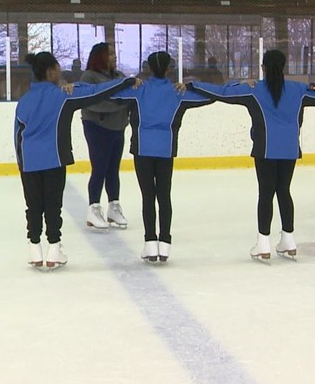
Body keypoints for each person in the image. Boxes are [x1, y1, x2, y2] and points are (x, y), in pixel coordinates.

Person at [187, 49, 315, 260]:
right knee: (284, 191)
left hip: (266, 148)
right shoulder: (299, 89)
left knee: (266, 193)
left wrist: (193, 85)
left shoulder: (254, 89)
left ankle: (263, 243)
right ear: (283, 67)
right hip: (290, 148)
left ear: (263, 67)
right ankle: (288, 240)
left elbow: (222, 92)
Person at [14, 52, 138, 271]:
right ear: (51, 72)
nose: (61, 72)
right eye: (58, 69)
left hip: (29, 161)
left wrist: (22, 163)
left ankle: (34, 249)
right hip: (54, 159)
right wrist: (125, 81)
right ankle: (54, 249)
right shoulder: (64, 96)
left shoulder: (23, 101)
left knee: (33, 206)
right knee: (53, 206)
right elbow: (97, 92)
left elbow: (18, 135)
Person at [113, 51, 212, 263]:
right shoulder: (178, 92)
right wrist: (192, 86)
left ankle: (150, 243)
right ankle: (165, 244)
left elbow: (109, 93)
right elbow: (212, 96)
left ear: (148, 68)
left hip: (142, 149)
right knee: (164, 196)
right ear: (169, 69)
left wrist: (128, 81)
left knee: (148, 197)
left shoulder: (137, 90)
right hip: (166, 150)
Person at [79, 42, 130, 232]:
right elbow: (90, 102)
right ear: (100, 57)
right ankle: (94, 208)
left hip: (118, 127)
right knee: (99, 168)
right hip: (97, 127)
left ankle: (114, 207)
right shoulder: (89, 77)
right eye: (110, 54)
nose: (114, 57)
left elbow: (129, 96)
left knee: (113, 170)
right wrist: (117, 105)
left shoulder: (119, 76)